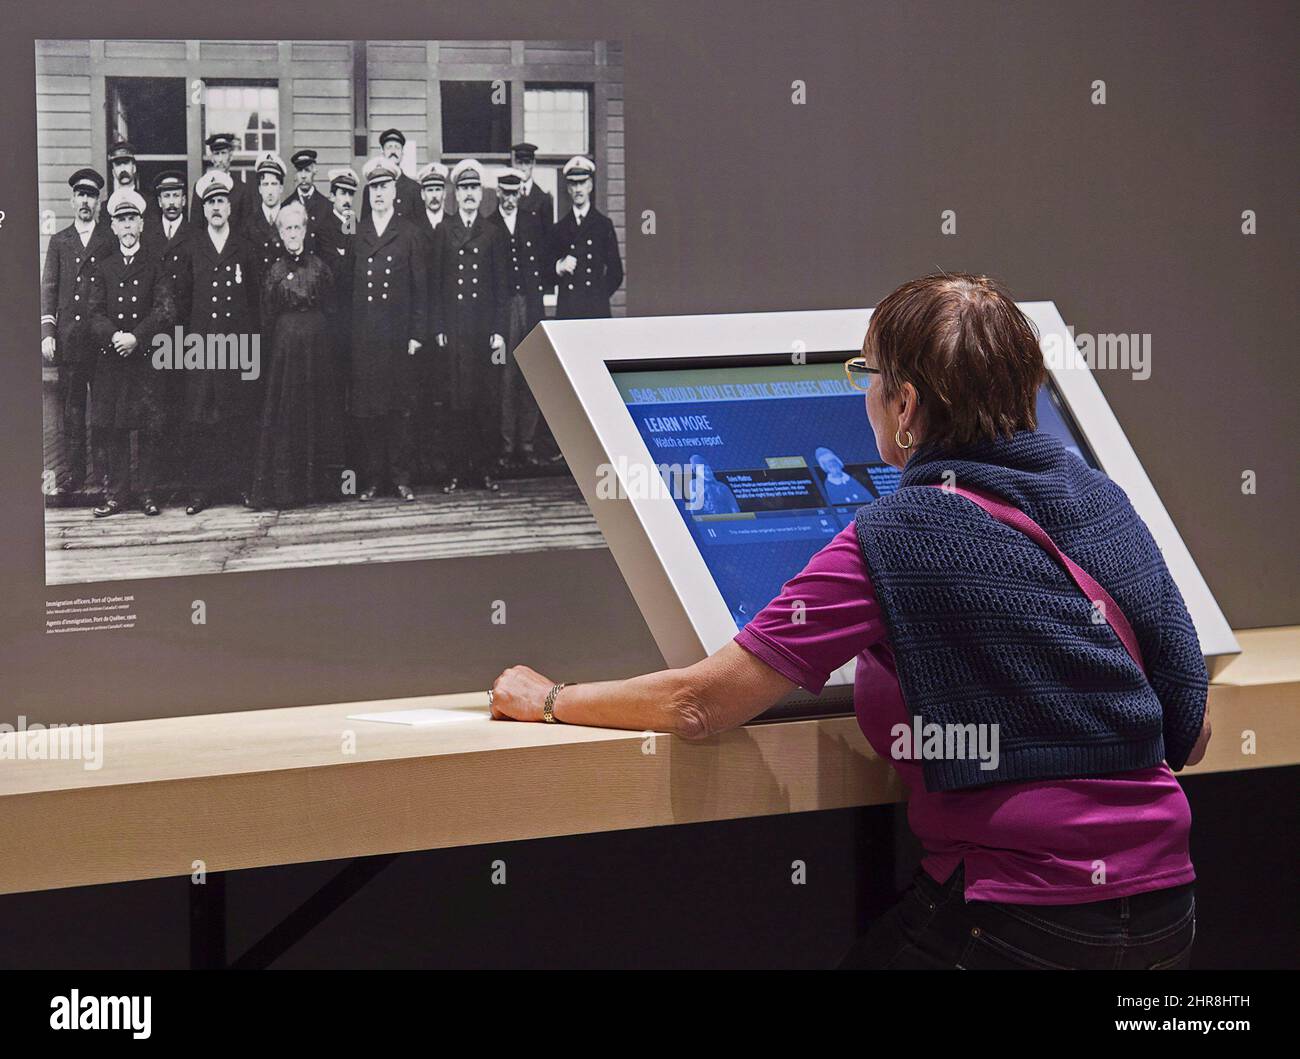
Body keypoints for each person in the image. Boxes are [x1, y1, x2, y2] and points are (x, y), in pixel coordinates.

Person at [487, 272, 1211, 971]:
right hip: (1167, 911)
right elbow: (1195, 727)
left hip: (1018, 914)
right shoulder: (1100, 501)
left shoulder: (899, 533)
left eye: (869, 375)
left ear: (906, 406)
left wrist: (548, 700)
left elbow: (700, 703)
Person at [173, 169, 263, 515]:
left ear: (229, 206)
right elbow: (181, 303)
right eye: (210, 202)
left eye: (221, 201)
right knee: (201, 421)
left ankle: (240, 484)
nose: (216, 208)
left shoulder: (245, 248)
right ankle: (201, 490)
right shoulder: (191, 247)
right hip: (201, 351)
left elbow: (255, 304)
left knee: (238, 418)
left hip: (238, 350)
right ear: (203, 207)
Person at [85, 189, 174, 517]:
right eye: (120, 220)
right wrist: (115, 336)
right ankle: (117, 495)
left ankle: (147, 493)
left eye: (131, 219)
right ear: (114, 226)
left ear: (140, 224)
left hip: (145, 358)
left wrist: (136, 338)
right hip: (113, 360)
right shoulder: (103, 268)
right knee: (115, 428)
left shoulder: (154, 265)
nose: (126, 226)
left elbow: (166, 309)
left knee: (148, 428)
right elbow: (93, 313)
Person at [248, 203, 340, 510]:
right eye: (287, 228)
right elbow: (266, 316)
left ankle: (321, 486)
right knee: (288, 412)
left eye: (297, 227)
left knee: (318, 409)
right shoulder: (273, 272)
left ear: (305, 230)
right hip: (286, 350)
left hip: (317, 346)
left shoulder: (320, 268)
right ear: (280, 233)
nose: (293, 234)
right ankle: (288, 490)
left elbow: (331, 307)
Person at [348, 156, 427, 502]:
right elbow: (348, 289)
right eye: (374, 188)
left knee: (399, 410)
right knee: (370, 412)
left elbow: (420, 288)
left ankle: (400, 478)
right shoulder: (359, 231)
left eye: (384, 186)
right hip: (366, 338)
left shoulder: (408, 232)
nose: (379, 193)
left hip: (398, 338)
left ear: (395, 190)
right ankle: (373, 478)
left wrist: (415, 334)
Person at [433, 159, 507, 493]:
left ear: (482, 193)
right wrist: (438, 326)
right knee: (454, 402)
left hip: (483, 331)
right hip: (454, 329)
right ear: (455, 193)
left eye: (474, 188)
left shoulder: (492, 232)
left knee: (484, 401)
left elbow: (500, 287)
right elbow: (436, 284)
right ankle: (455, 470)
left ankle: (484, 470)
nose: (468, 195)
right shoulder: (444, 231)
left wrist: (498, 329)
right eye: (463, 188)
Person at [41, 167, 115, 496]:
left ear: (99, 201)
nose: (85, 201)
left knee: (101, 408)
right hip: (69, 339)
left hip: (99, 339)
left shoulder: (108, 240)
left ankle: (103, 472)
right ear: (72, 201)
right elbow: (49, 288)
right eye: (80, 196)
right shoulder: (60, 242)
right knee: (72, 410)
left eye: (91, 196)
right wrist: (47, 333)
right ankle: (73, 473)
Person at [489, 167, 549, 473]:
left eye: (514, 193)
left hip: (531, 307)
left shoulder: (532, 222)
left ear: (519, 193)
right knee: (506, 378)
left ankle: (527, 445)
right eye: (505, 193)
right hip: (503, 312)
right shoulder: (489, 226)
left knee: (530, 374)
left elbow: (546, 264)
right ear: (498, 192)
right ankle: (506, 445)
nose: (509, 198)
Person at [548, 155, 623, 320]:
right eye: (573, 184)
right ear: (568, 188)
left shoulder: (603, 225)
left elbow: (616, 273)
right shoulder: (559, 229)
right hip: (568, 311)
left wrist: (598, 297)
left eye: (582, 183)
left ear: (590, 186)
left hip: (596, 311)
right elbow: (547, 276)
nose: (578, 189)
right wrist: (559, 267)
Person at [413, 161, 450, 484]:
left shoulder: (453, 226)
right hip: (420, 323)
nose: (434, 195)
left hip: (448, 327)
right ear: (422, 194)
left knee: (446, 393)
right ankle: (421, 462)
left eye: (439, 189)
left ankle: (443, 462)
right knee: (420, 393)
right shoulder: (413, 229)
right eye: (429, 190)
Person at [190, 133, 254, 230]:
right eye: (216, 154)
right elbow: (195, 226)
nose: (220, 159)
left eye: (223, 153)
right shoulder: (201, 186)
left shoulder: (242, 189)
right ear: (212, 158)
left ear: (231, 156)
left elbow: (247, 228)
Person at [359, 128, 422, 221]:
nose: (393, 151)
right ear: (382, 152)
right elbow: (365, 224)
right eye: (389, 147)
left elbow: (420, 228)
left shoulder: (414, 188)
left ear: (402, 153)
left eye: (397, 147)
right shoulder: (370, 189)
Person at [245, 151, 288, 272]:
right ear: (259, 189)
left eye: (274, 184)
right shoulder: (249, 223)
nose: (270, 191)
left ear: (281, 188)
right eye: (265, 184)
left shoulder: (289, 219)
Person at [511, 141, 554, 241]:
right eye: (519, 163)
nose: (523, 168)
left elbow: (548, 237)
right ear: (514, 163)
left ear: (533, 163)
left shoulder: (543, 199)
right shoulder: (508, 194)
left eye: (527, 163)